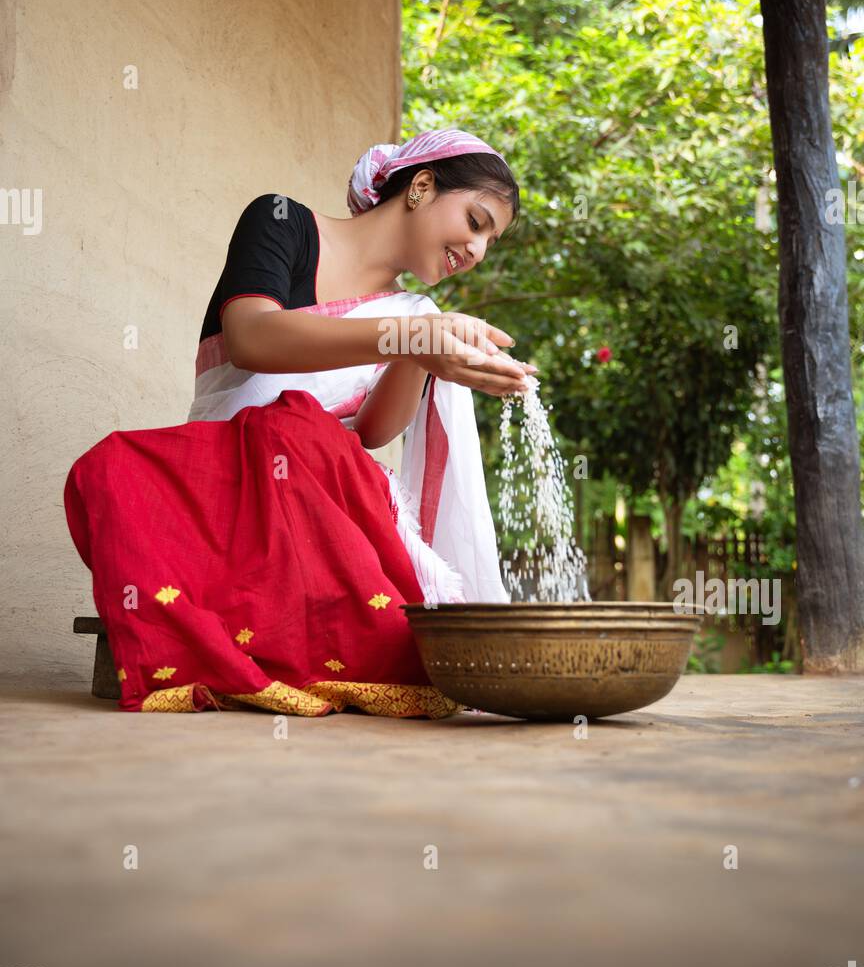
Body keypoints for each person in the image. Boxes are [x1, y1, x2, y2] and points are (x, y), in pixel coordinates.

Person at [64, 129, 533, 718]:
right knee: (112, 468)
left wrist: (422, 348)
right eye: (476, 220)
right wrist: (410, 337)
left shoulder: (416, 315)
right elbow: (251, 338)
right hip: (218, 482)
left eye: (490, 239)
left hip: (310, 502)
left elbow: (368, 436)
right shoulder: (282, 220)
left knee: (306, 439)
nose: (478, 250)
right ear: (420, 187)